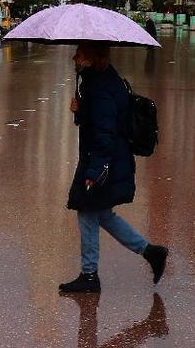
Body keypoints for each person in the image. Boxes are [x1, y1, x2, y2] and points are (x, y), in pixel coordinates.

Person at [60, 42, 168, 294]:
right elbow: (99, 121)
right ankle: (151, 252)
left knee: (87, 211)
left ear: (92, 56)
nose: (75, 57)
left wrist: (94, 171)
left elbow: (105, 132)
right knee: (102, 214)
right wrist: (80, 111)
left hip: (104, 160)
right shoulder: (99, 80)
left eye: (80, 53)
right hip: (108, 158)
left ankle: (89, 275)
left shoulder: (101, 87)